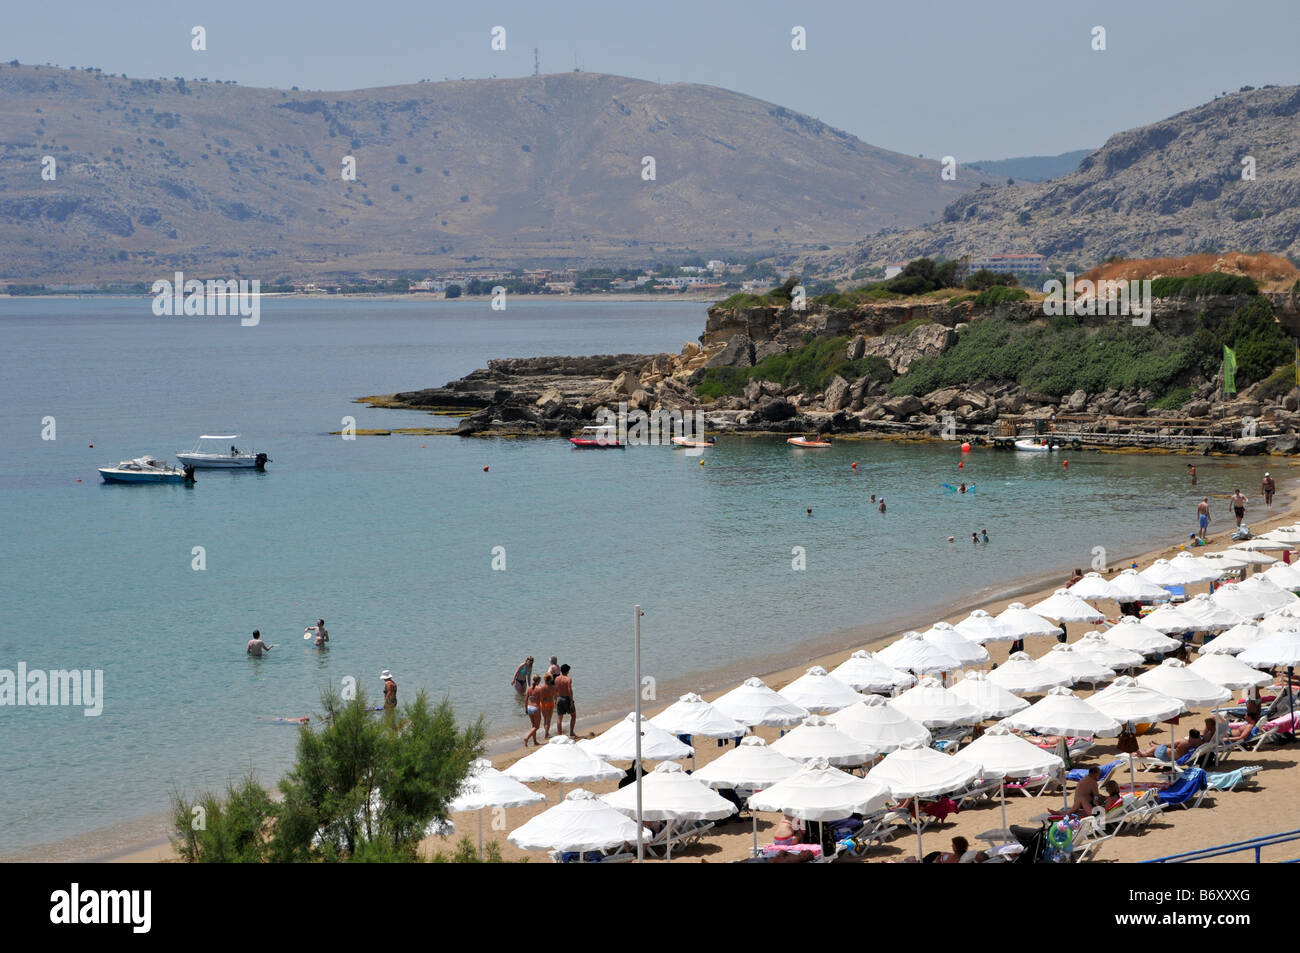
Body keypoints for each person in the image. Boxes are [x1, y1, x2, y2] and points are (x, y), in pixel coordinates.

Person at [555, 663, 577, 738]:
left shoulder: (556, 678)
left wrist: (555, 700)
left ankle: (560, 735)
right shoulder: (568, 679)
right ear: (567, 671)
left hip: (559, 698)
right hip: (566, 699)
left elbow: (555, 690)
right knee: (573, 716)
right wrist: (571, 701)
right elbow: (569, 690)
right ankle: (571, 732)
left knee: (559, 718)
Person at [524, 675, 543, 746]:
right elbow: (542, 700)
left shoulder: (529, 688)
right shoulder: (539, 688)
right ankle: (527, 737)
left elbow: (526, 700)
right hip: (535, 708)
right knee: (537, 726)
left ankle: (535, 741)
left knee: (533, 725)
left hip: (529, 707)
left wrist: (526, 708)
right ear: (538, 680)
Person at [538, 673, 557, 738]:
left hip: (542, 704)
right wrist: (556, 702)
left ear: (544, 679)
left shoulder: (541, 687)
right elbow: (555, 696)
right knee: (548, 720)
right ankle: (546, 734)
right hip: (550, 704)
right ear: (551, 679)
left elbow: (540, 697)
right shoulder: (553, 687)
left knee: (545, 719)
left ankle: (547, 732)